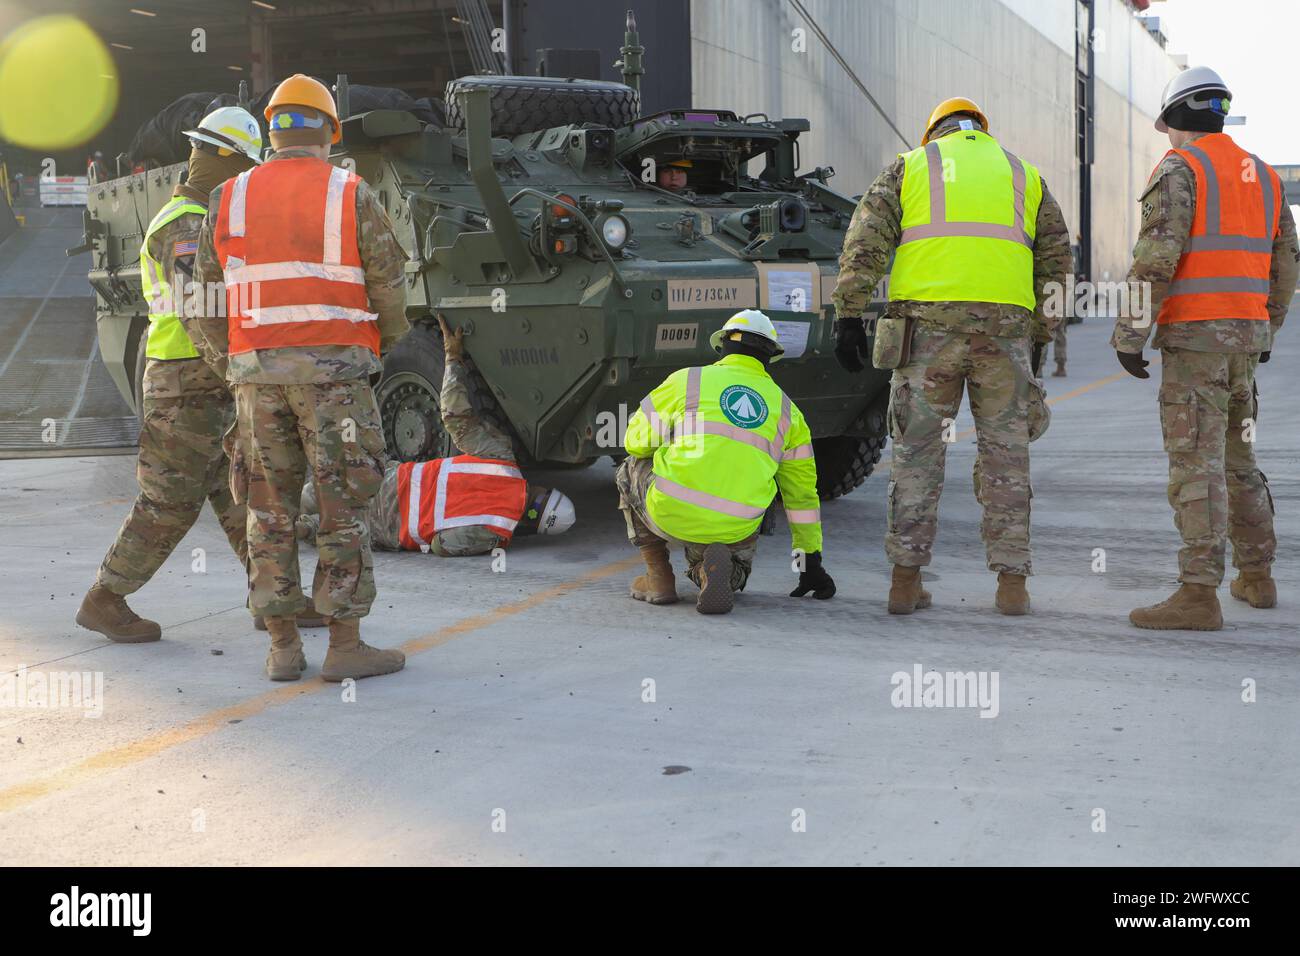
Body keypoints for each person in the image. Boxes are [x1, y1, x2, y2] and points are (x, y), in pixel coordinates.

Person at [191, 74, 411, 681]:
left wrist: (232, 364)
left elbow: (203, 301)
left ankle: (283, 647)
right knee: (343, 506)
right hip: (336, 380)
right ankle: (344, 646)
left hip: (256, 381)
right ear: (332, 132)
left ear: (271, 132)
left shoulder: (228, 197)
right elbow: (390, 287)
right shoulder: (351, 192)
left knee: (267, 507)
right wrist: (375, 348)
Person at [831, 97, 1071, 615]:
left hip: (925, 333)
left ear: (933, 132)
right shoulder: (1024, 174)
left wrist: (849, 312)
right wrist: (1041, 333)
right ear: (982, 130)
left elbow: (865, 239)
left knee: (917, 455)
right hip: (1003, 336)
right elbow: (1056, 260)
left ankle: (904, 582)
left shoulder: (912, 166)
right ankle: (1012, 587)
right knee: (1007, 457)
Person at [76, 107, 280, 643]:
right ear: (215, 156)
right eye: (242, 164)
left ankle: (273, 599)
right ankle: (106, 597)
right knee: (169, 501)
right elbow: (198, 311)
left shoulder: (208, 216)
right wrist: (239, 372)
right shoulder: (185, 224)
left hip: (207, 379)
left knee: (242, 495)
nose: (245, 178)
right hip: (185, 383)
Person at [1112, 66, 1298, 630]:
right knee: (1239, 462)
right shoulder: (1264, 176)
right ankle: (1257, 577)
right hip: (1243, 339)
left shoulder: (1181, 168)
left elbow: (1156, 260)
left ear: (1178, 119)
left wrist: (1129, 335)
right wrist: (1268, 325)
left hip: (1195, 339)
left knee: (1197, 463)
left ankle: (1198, 593)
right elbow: (1286, 262)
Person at [617, 309, 835, 614]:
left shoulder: (687, 380)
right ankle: (710, 571)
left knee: (630, 466)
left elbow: (634, 442)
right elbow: (802, 498)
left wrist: (674, 440)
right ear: (770, 356)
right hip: (738, 524)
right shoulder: (789, 411)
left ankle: (659, 578)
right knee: (733, 566)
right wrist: (807, 563)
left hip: (671, 510)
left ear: (722, 346)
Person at [295, 316, 577, 553]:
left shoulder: (501, 458)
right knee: (332, 527)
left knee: (323, 486)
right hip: (394, 526)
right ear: (533, 525)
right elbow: (443, 545)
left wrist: (453, 357)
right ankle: (299, 528)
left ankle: (282, 503)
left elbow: (456, 416)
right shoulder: (495, 531)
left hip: (392, 480)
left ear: (543, 491)